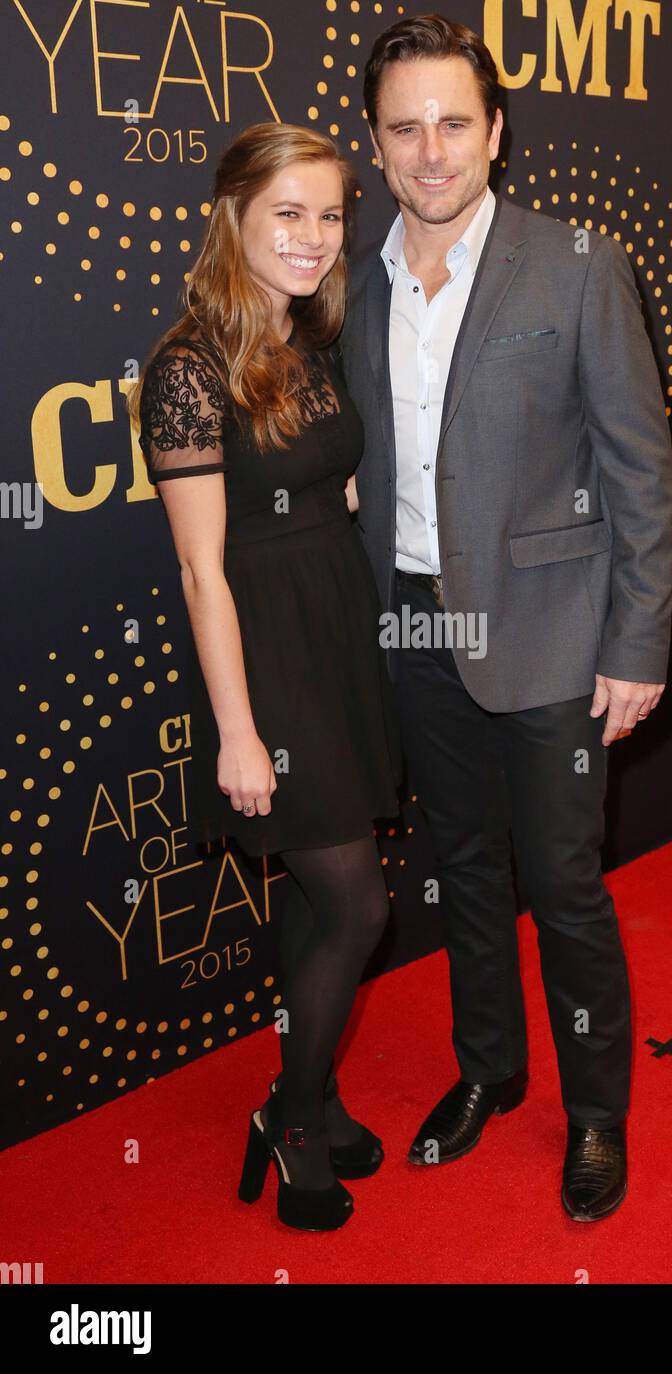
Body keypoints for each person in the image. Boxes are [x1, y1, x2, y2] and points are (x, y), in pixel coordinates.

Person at [339, 14, 672, 1222]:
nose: (431, 150)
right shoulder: (359, 281)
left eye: (452, 122)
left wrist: (635, 645)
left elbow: (639, 468)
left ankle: (594, 1112)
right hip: (419, 630)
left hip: (549, 636)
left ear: (497, 131)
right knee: (465, 872)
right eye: (403, 127)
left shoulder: (579, 261)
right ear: (376, 148)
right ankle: (487, 1068)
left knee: (565, 886)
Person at [127, 123, 404, 1233]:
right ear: (233, 216)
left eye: (330, 214)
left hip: (335, 624)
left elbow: (325, 483)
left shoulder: (312, 335)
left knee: (319, 895)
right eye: (286, 212)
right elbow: (201, 570)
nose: (312, 236)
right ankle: (292, 1119)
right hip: (265, 654)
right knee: (359, 901)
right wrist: (238, 733)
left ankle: (314, 1092)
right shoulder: (187, 370)